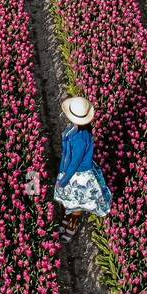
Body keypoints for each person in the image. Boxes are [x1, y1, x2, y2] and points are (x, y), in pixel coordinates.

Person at [54, 96, 113, 242]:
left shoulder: (81, 138)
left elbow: (75, 163)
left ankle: (72, 226)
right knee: (68, 201)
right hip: (69, 171)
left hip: (78, 176)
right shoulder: (73, 130)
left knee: (77, 202)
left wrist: (64, 180)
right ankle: (67, 219)